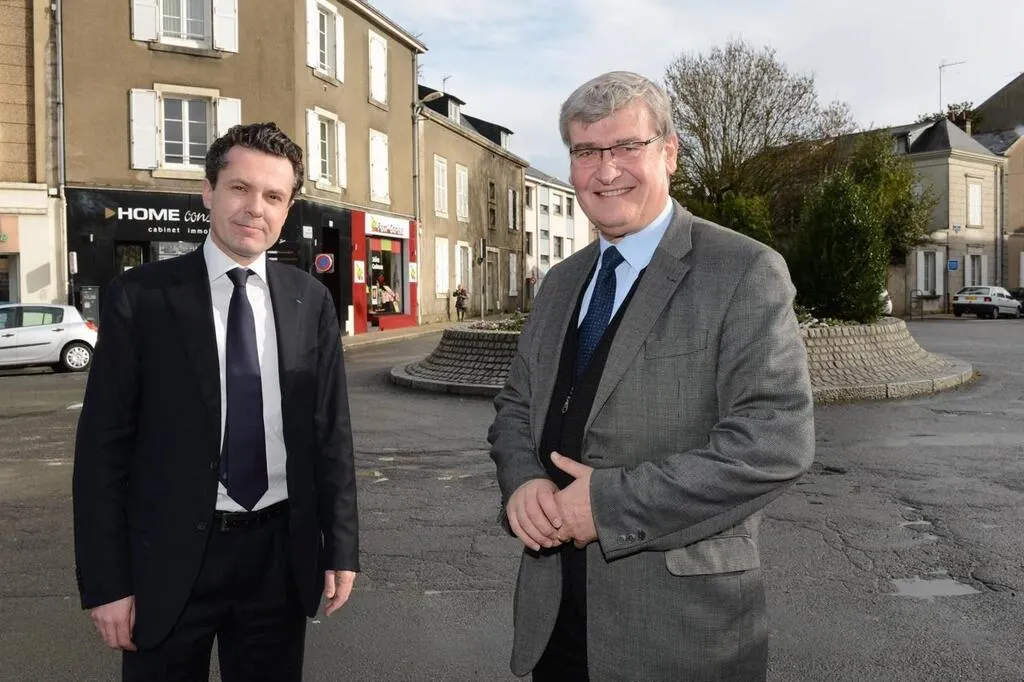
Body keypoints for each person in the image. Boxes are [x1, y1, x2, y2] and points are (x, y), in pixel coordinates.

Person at [487, 71, 814, 681]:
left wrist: (609, 504)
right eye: (586, 151)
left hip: (682, 634)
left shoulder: (743, 270)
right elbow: (514, 407)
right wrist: (523, 483)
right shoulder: (560, 283)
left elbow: (774, 443)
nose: (606, 170)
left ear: (669, 152)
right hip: (554, 623)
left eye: (626, 147)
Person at [72, 122, 359, 681]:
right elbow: (103, 451)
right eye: (239, 188)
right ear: (208, 192)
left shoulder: (309, 302)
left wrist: (341, 546)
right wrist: (108, 583)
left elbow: (332, 435)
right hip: (168, 560)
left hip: (278, 559)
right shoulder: (143, 297)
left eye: (274, 196)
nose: (255, 208)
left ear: (289, 207)